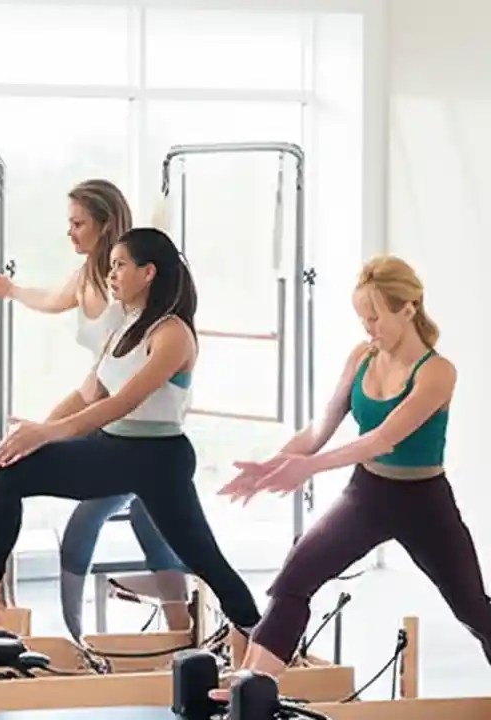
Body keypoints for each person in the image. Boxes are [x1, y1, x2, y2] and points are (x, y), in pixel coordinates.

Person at [0, 227, 261, 636]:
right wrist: (36, 431)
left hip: (157, 458)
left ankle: (257, 633)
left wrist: (49, 435)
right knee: (11, 467)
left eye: (121, 265)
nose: (112, 274)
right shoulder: (125, 326)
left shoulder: (173, 333)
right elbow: (90, 392)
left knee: (204, 559)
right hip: (117, 448)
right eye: (110, 267)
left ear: (149, 273)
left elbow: (122, 402)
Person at [212, 255, 491, 692]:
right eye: (363, 318)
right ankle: (248, 686)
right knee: (294, 577)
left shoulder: (438, 371)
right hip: (367, 495)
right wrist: (270, 467)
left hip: (424, 502)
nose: (369, 328)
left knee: (472, 608)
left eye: (376, 317)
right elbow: (321, 428)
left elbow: (381, 439)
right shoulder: (362, 357)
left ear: (409, 307)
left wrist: (306, 469)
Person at [0, 179, 191, 639]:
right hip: (100, 413)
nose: (69, 232)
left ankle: (175, 632)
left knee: (129, 524)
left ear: (104, 224)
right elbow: (52, 302)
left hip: (134, 425)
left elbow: (127, 384)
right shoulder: (90, 274)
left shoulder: (124, 284)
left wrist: (50, 430)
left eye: (77, 223)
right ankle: (167, 632)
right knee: (148, 526)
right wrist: (10, 290)